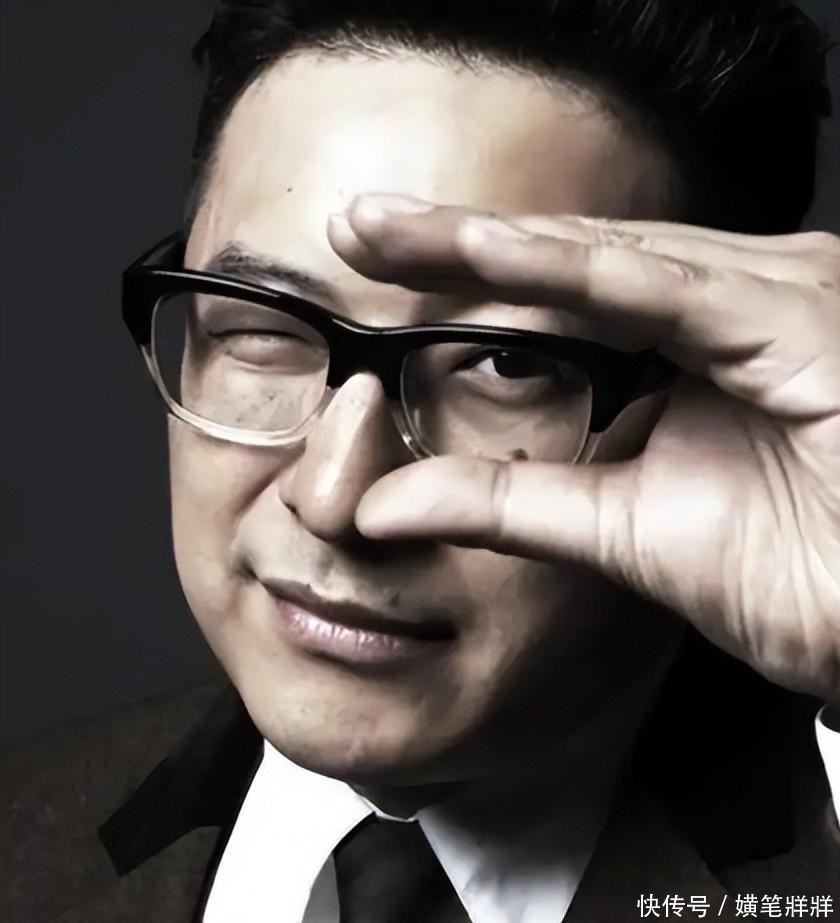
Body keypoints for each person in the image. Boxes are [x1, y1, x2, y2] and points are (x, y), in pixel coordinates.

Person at [3, 1, 839, 921]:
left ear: (718, 392)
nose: (336, 497)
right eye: (264, 327)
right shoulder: (23, 833)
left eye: (508, 365)